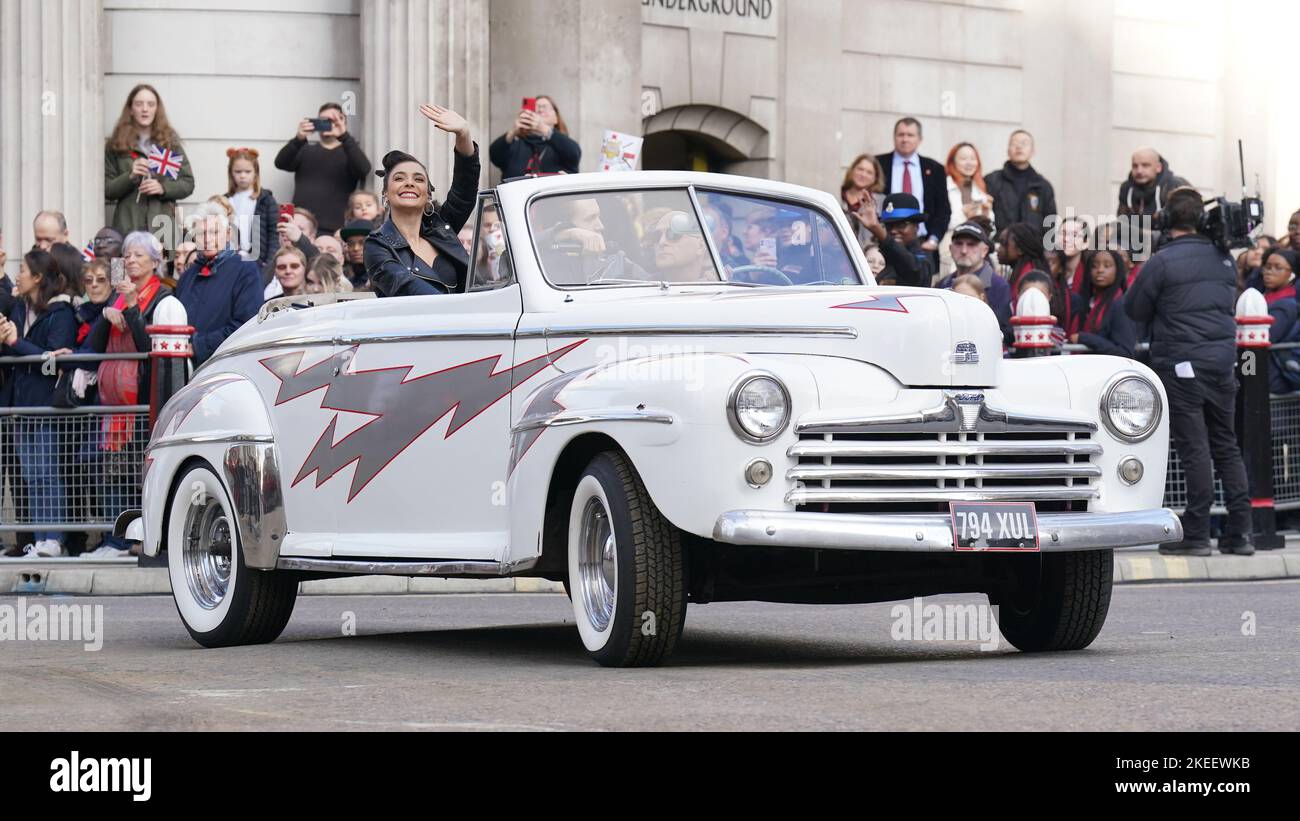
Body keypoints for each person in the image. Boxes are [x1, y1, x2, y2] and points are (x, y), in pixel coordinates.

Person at [1125, 187, 1253, 556]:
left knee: (1195, 449)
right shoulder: (1224, 258)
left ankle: (1196, 534)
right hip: (1221, 363)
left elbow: (1134, 308)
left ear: (1166, 219)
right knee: (1226, 445)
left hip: (1182, 366)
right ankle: (1240, 533)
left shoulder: (1162, 261)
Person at [81, 232, 185, 557]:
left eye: (139, 255)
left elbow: (147, 346)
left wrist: (131, 309)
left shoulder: (163, 297)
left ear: (155, 262)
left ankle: (130, 541)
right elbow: (95, 347)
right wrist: (106, 315)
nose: (131, 260)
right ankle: (114, 539)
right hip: (112, 404)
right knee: (110, 472)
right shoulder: (116, 294)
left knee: (132, 474)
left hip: (142, 402)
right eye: (127, 255)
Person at [0, 250, 76, 558]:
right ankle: (40, 538)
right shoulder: (19, 307)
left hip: (45, 405)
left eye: (23, 271)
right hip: (21, 405)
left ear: (37, 278)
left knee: (47, 472)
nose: (17, 276)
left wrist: (16, 343)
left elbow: (53, 363)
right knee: (31, 475)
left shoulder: (61, 314)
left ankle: (53, 539)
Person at [175, 202, 264, 364]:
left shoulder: (246, 269)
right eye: (201, 233)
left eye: (215, 232)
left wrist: (198, 345)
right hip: (184, 367)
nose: (208, 239)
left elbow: (246, 324)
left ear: (228, 234)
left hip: (224, 366)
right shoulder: (188, 276)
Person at [104, 84, 195, 235]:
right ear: (131, 109)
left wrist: (163, 188)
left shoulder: (169, 143)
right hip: (129, 225)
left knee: (165, 258)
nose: (145, 109)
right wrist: (130, 176)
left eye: (150, 104)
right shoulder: (116, 144)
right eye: (139, 104)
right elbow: (108, 190)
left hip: (163, 226)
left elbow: (187, 183)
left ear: (157, 109)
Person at [274, 102, 372, 234]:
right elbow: (280, 163)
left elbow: (364, 169)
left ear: (342, 122)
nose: (326, 124)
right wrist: (298, 138)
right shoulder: (305, 149)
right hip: (302, 226)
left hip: (336, 229)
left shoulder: (349, 151)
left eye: (331, 120)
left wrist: (344, 136)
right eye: (322, 120)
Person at [875, 118, 950, 260]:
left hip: (923, 245)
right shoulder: (879, 164)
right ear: (894, 137)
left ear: (919, 139)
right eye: (901, 134)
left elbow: (943, 209)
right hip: (886, 242)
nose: (905, 139)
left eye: (910, 135)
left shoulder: (935, 169)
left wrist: (933, 239)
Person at [489, 95, 581, 178]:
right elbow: (494, 155)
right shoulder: (516, 143)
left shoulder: (562, 144)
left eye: (544, 107)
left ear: (556, 118)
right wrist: (513, 131)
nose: (540, 110)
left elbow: (574, 153)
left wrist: (544, 129)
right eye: (536, 107)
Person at [984, 130, 1056, 234]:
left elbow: (1050, 225)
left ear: (1032, 151)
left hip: (1034, 248)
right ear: (1008, 151)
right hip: (1000, 246)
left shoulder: (1043, 186)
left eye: (1024, 143)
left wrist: (1046, 250)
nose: (1019, 147)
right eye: (1014, 143)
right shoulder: (992, 180)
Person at [856, 193, 934, 288]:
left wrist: (881, 233)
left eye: (901, 225)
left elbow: (913, 269)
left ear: (916, 227)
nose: (893, 231)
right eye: (889, 226)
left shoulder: (922, 259)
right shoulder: (886, 261)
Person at [939, 143, 994, 277]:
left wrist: (986, 213)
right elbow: (940, 221)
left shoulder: (980, 188)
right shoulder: (943, 185)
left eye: (972, 158)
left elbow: (992, 231)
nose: (969, 163)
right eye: (963, 158)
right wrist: (964, 215)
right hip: (952, 244)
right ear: (952, 162)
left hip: (977, 247)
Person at [1070, 250, 1136, 357]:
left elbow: (1125, 352)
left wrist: (1085, 339)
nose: (1100, 270)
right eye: (1094, 266)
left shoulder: (1120, 305)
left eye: (1107, 266)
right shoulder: (1086, 303)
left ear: (1117, 270)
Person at [936, 221, 1011, 315]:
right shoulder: (942, 285)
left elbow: (1003, 328)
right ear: (950, 248)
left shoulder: (999, 287)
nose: (964, 251)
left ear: (984, 250)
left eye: (971, 244)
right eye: (959, 244)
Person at [1255, 248, 1300, 394]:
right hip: (1257, 369)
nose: (1269, 272)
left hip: (1273, 377)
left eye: (1278, 268)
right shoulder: (1263, 297)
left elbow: (1263, 339)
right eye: (1267, 267)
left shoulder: (1285, 306)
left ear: (1291, 274)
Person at [226, 147, 279, 268]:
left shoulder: (266, 200)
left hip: (258, 262)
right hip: (230, 261)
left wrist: (269, 263)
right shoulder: (225, 201)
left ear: (256, 173)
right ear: (231, 173)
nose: (243, 176)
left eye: (247, 171)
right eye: (238, 172)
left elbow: (274, 235)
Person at [1117, 148, 1190, 218]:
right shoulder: (1127, 188)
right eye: (1135, 166)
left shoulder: (1175, 186)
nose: (1139, 171)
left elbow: (1184, 226)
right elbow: (1122, 221)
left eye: (1145, 165)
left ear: (1159, 167)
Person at [648, 211, 716, 283]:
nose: (661, 242)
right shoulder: (641, 288)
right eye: (656, 236)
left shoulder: (721, 285)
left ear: (700, 246)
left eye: (673, 234)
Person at [840, 154, 887, 251]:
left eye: (869, 172)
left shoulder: (881, 202)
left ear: (875, 178)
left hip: (868, 257)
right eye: (860, 169)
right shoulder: (837, 195)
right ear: (852, 170)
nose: (863, 175)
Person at [999, 222, 1050, 294]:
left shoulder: (1030, 280)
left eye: (1003, 244)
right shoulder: (1020, 271)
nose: (998, 249)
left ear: (1020, 250)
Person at [339, 220, 372, 287]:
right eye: (350, 244)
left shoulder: (383, 279)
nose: (355, 248)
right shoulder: (346, 283)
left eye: (362, 243)